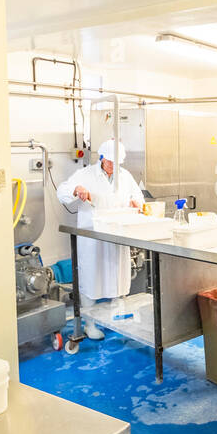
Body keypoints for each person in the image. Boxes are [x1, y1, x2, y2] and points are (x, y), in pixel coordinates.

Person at [56, 139, 144, 339]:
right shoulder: (86, 174)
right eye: (111, 162)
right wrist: (77, 190)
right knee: (91, 276)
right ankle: (90, 324)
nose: (114, 166)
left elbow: (138, 198)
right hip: (93, 236)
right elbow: (62, 191)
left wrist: (135, 203)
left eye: (117, 162)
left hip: (117, 234)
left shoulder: (125, 175)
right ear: (102, 159)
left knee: (118, 275)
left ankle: (116, 318)